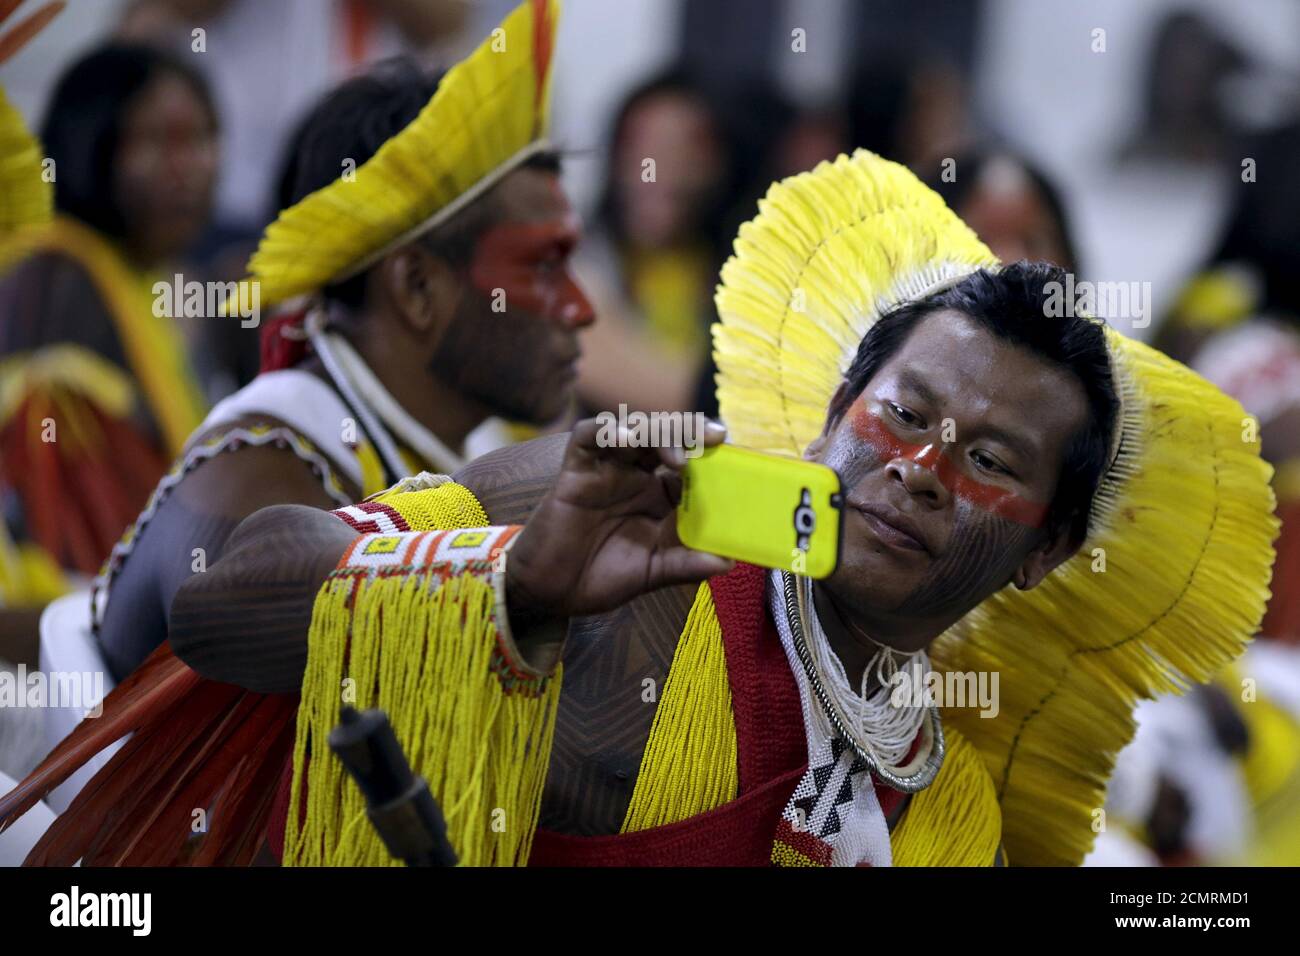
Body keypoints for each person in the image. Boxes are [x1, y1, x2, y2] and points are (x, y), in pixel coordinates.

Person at [2, 150, 1276, 868]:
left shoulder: (944, 817)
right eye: (900, 417)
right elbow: (220, 604)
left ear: (1045, 547)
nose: (922, 469)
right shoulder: (640, 531)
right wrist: (507, 586)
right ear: (835, 406)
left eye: (989, 457)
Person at [89, 0, 592, 681]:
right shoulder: (261, 468)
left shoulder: (474, 446)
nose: (582, 308)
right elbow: (220, 609)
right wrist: (516, 588)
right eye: (542, 265)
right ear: (416, 288)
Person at [0, 43, 215, 590]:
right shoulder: (56, 280)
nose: (186, 168)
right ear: (87, 143)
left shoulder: (143, 278)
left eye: (201, 138)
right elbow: (73, 523)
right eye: (157, 141)